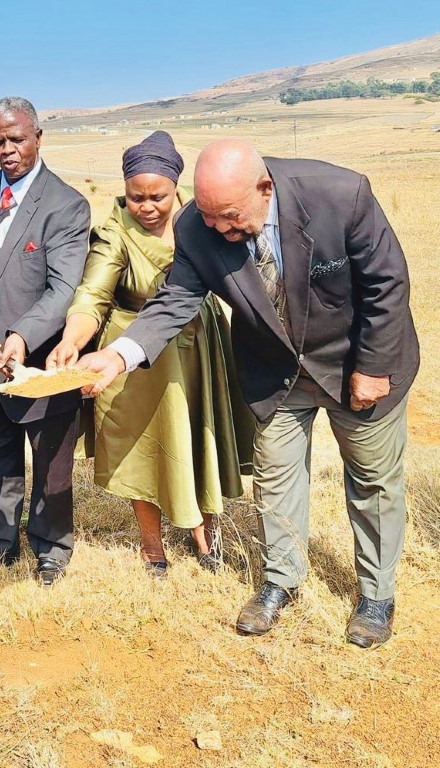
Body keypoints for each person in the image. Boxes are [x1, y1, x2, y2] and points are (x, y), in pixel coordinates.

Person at [77, 140, 418, 648]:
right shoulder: (197, 226)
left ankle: (376, 596)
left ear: (264, 188)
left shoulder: (339, 194)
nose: (219, 228)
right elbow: (175, 300)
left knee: (373, 481)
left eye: (230, 216)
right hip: (276, 373)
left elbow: (385, 283)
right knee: (276, 480)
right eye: (209, 216)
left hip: (356, 366)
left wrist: (372, 367)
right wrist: (119, 354)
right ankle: (281, 581)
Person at [48, 131, 252, 578]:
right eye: (136, 197)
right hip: (136, 355)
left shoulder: (203, 219)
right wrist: (73, 340)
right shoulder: (114, 234)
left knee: (200, 436)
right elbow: (92, 295)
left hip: (198, 346)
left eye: (157, 196)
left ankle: (207, 536)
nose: (146, 206)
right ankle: (152, 546)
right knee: (143, 450)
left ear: (176, 188)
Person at [0, 97, 90, 585]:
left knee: (51, 462)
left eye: (16, 139)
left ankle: (51, 547)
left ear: (38, 137)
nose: (7, 150)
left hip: (39, 363)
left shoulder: (66, 204)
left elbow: (63, 288)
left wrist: (22, 336)